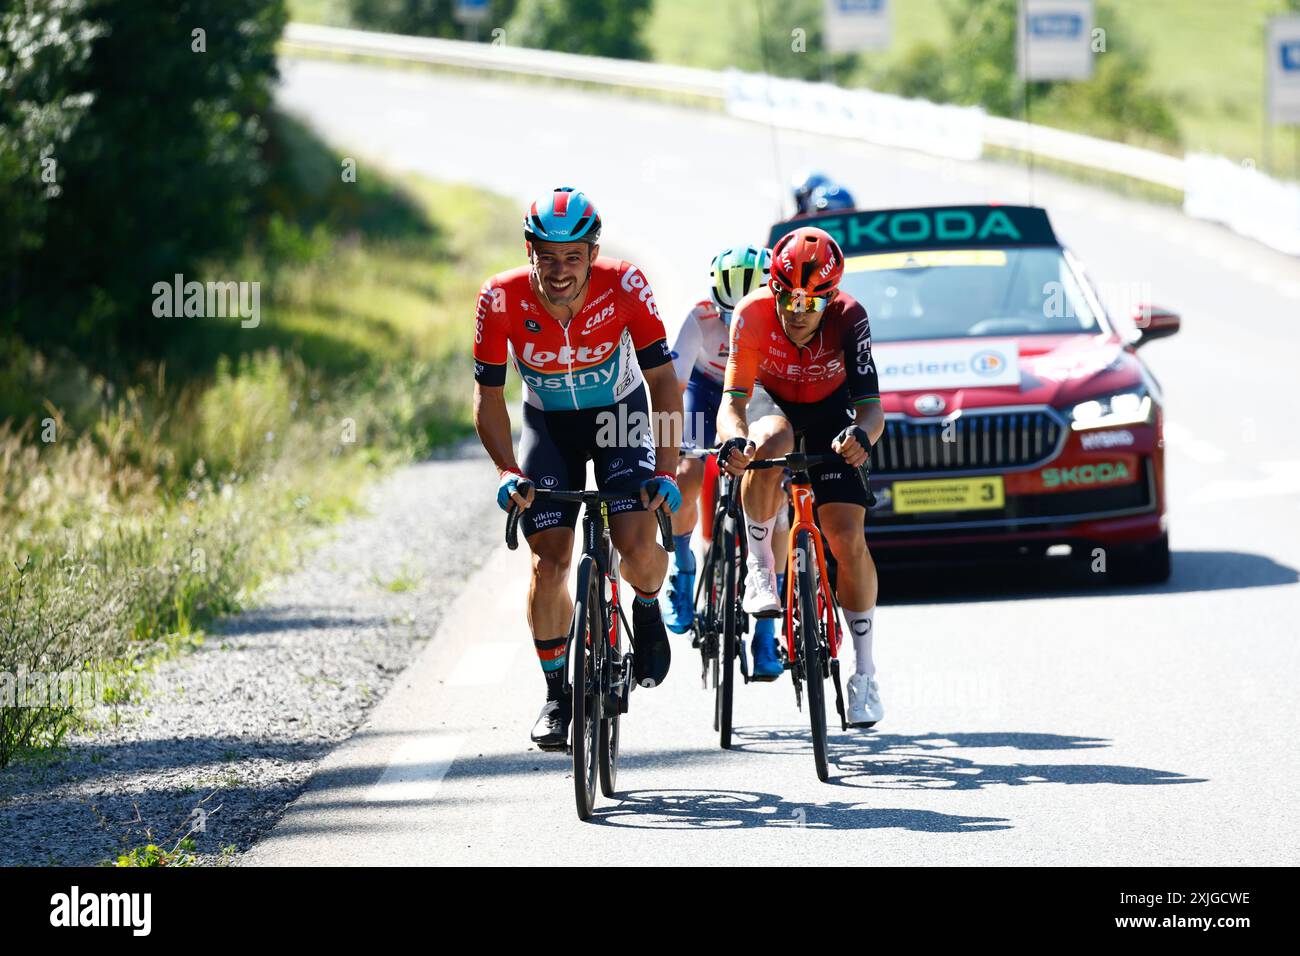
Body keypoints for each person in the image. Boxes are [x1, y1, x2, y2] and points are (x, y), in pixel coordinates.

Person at [473, 187, 684, 750]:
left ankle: (644, 606)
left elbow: (663, 382)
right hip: (551, 429)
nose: (559, 270)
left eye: (573, 257)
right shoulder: (500, 298)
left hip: (620, 418)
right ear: (529, 250)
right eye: (547, 255)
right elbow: (489, 396)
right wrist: (505, 471)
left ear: (592, 253)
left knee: (638, 544)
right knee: (549, 561)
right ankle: (556, 695)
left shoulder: (626, 285)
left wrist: (665, 469)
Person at [715, 225, 887, 726]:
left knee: (846, 538)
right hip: (774, 403)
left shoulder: (850, 317)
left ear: (830, 299)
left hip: (834, 412)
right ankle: (761, 570)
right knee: (767, 443)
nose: (797, 312)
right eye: (788, 298)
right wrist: (733, 440)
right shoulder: (750, 315)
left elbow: (872, 411)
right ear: (774, 287)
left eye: (812, 304)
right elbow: (733, 403)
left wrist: (861, 438)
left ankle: (864, 674)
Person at [664, 245, 785, 680]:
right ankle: (682, 564)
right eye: (728, 316)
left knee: (777, 511)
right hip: (707, 390)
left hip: (757, 394)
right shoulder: (698, 317)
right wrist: (669, 441)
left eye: (747, 314)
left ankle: (767, 632)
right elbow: (672, 387)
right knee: (686, 470)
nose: (737, 327)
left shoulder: (782, 315)